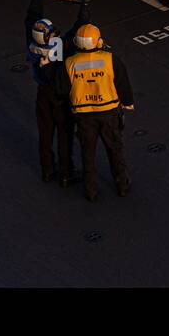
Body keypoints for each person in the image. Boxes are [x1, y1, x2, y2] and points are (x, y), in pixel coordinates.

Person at [56, 23, 134, 202]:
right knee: (115, 149)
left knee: (88, 153)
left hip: (84, 116)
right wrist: (128, 102)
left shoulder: (70, 63)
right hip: (108, 112)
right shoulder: (110, 59)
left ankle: (90, 190)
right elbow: (122, 83)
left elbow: (62, 89)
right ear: (98, 41)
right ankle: (122, 184)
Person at [25, 0, 91, 185]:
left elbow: (31, 19)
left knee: (45, 134)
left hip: (42, 94)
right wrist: (85, 3)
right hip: (61, 97)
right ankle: (66, 172)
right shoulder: (61, 47)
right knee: (65, 135)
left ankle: (47, 170)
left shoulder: (33, 44)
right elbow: (79, 27)